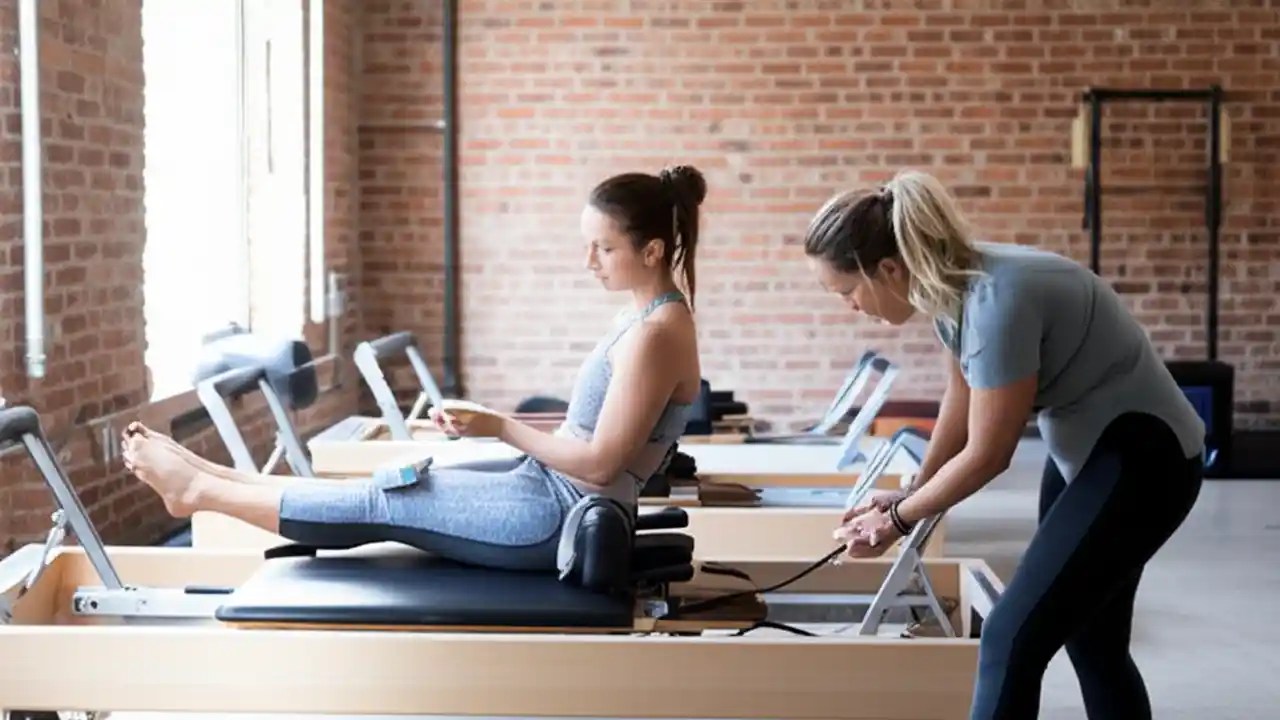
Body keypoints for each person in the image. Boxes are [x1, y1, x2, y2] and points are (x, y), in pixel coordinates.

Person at [122, 165, 707, 572]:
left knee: (386, 504)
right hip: (547, 490)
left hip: (560, 516)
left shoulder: (656, 333)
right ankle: (204, 473)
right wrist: (497, 424)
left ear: (651, 251)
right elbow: (598, 434)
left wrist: (500, 426)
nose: (588, 262)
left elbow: (603, 463)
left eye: (602, 248)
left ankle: (198, 490)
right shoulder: (644, 318)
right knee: (392, 483)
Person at [803, 169, 1205, 720]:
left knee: (1011, 637)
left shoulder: (997, 300)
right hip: (1090, 450)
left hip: (1144, 458)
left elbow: (990, 453)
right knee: (1092, 642)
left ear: (888, 270)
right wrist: (912, 492)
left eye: (846, 291)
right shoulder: (950, 286)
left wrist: (897, 520)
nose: (850, 307)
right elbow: (961, 402)